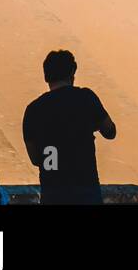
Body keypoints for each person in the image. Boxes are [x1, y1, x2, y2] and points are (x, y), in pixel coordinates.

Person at [22, 50, 116, 204]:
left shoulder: (33, 109)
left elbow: (35, 158)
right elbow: (110, 131)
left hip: (52, 191)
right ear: (72, 72)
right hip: (85, 189)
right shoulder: (86, 98)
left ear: (46, 77)